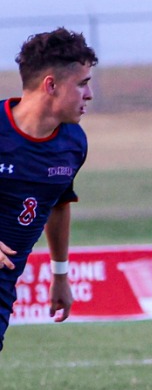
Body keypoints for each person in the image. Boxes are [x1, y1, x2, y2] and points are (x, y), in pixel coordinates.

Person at [0, 30, 95, 353]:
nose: (90, 94)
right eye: (82, 83)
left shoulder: (72, 143)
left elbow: (57, 204)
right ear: (51, 85)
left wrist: (60, 274)